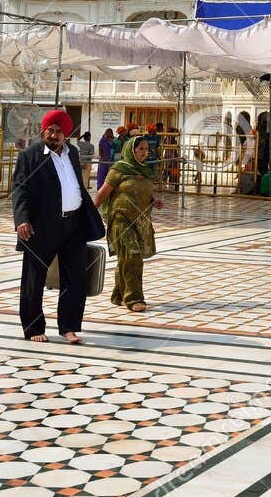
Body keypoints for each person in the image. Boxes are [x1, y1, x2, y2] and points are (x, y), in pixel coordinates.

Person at [13, 109, 105, 343]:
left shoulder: (72, 153)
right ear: (43, 131)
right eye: (50, 131)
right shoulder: (30, 155)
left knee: (75, 278)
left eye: (59, 132)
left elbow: (76, 185)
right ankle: (34, 329)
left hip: (73, 224)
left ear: (66, 134)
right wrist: (22, 219)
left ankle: (69, 327)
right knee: (34, 279)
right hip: (41, 226)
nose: (54, 135)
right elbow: (20, 189)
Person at [94, 133, 161, 314]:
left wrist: (154, 200)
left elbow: (144, 192)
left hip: (141, 221)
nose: (144, 153)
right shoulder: (119, 169)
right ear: (131, 150)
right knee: (133, 256)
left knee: (126, 258)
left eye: (146, 150)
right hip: (121, 220)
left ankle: (118, 294)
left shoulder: (145, 170)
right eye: (140, 149)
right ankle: (134, 298)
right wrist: (89, 213)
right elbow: (102, 193)